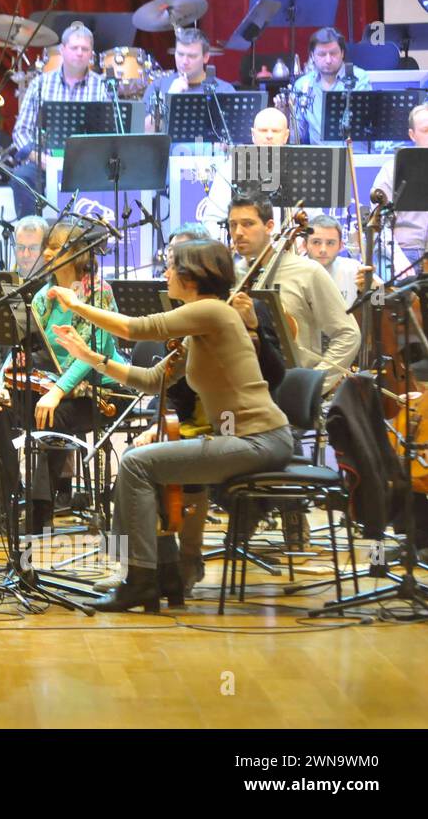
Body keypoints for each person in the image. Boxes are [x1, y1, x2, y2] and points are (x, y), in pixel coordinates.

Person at [46, 238, 294, 612]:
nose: (164, 273)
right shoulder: (201, 325)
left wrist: (78, 305)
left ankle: (141, 579)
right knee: (142, 459)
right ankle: (163, 575)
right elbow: (152, 379)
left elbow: (135, 328)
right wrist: (89, 356)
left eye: (170, 266)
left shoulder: (212, 312)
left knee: (136, 462)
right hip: (243, 439)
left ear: (191, 276)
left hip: (260, 440)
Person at [0, 220, 124, 532]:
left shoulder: (99, 293)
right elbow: (28, 348)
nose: (46, 253)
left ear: (78, 254)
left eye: (54, 247)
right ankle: (2, 505)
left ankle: (39, 514)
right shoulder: (44, 295)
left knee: (53, 417)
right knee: (2, 410)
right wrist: (2, 384)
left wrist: (57, 391)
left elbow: (89, 356)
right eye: (46, 246)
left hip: (98, 391)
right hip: (53, 386)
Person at [228, 195, 359, 392]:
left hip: (289, 394)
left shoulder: (307, 271)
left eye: (248, 224)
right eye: (233, 225)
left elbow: (348, 334)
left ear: (269, 226)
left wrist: (312, 386)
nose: (238, 232)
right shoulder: (234, 274)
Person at [8, 22, 107, 218]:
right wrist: (38, 157)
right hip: (44, 160)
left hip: (85, 164)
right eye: (74, 48)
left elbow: (108, 134)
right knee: (21, 179)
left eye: (85, 49)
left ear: (91, 54)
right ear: (62, 50)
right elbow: (21, 131)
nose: (79, 53)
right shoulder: (40, 84)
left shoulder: (101, 86)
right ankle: (32, 237)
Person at [283, 27, 372, 145]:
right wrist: (286, 114)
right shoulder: (302, 85)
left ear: (342, 53)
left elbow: (365, 125)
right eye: (322, 54)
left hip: (354, 157)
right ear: (312, 56)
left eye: (333, 53)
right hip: (318, 158)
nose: (328, 60)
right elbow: (298, 138)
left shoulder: (359, 79)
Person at [370, 102, 428, 268]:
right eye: (426, 130)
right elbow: (380, 225)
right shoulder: (392, 169)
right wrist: (399, 260)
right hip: (405, 250)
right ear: (412, 135)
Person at [142, 28, 235, 133]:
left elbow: (234, 137)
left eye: (192, 56)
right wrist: (169, 98)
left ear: (205, 57)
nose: (184, 61)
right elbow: (143, 132)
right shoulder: (158, 86)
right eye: (180, 54)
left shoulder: (224, 89)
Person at [303, 214, 377, 308]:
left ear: (340, 246)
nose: (323, 250)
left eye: (330, 243)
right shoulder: (294, 271)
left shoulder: (354, 268)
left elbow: (380, 302)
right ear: (305, 245)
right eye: (316, 242)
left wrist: (373, 287)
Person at [13, 215, 49, 281]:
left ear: (45, 248)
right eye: (20, 247)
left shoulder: (58, 284)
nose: (26, 255)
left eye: (33, 248)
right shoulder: (5, 281)